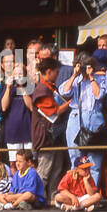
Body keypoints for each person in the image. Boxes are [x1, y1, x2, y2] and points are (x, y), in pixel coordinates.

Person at [61, 51, 107, 192]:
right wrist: (75, 74)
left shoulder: (100, 80)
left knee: (94, 160)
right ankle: (77, 192)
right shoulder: (75, 80)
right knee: (75, 157)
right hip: (76, 118)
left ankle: (91, 193)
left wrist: (92, 77)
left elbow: (99, 95)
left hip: (95, 118)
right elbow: (64, 92)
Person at [26, 56, 70, 203]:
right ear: (49, 71)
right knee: (44, 170)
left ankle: (51, 198)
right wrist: (71, 102)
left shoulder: (50, 87)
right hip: (45, 137)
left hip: (55, 136)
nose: (57, 75)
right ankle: (33, 198)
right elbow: (53, 112)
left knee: (57, 169)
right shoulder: (41, 89)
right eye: (56, 72)